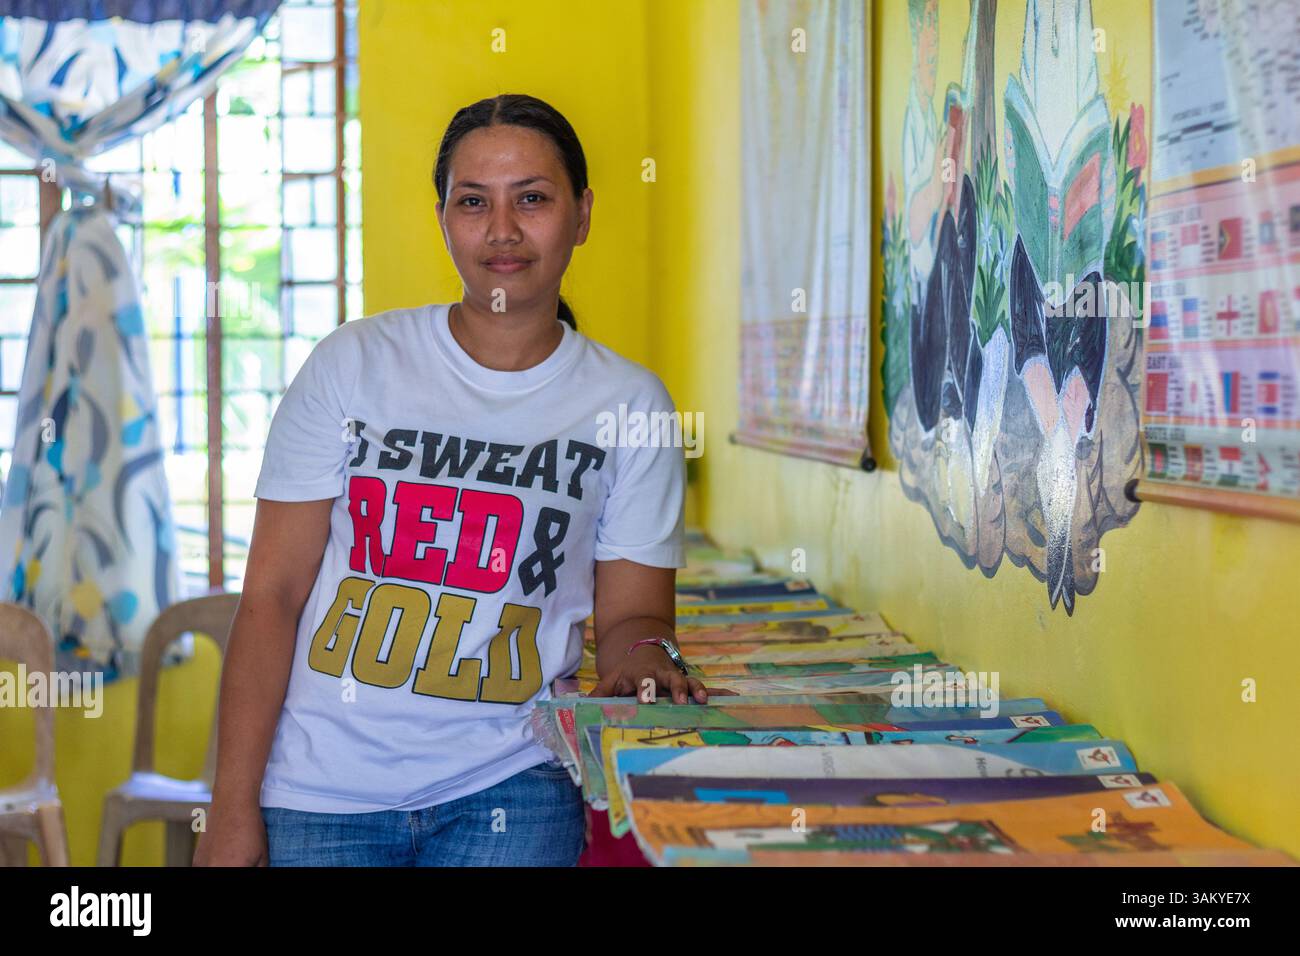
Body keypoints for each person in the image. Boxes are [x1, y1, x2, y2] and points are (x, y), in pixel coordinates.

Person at [194, 93, 708, 867]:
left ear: (583, 214)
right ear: (444, 219)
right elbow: (271, 597)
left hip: (513, 782)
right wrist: (231, 807)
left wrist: (644, 657)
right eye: (475, 203)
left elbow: (634, 615)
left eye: (532, 198)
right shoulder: (353, 365)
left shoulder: (631, 405)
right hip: (322, 790)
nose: (503, 230)